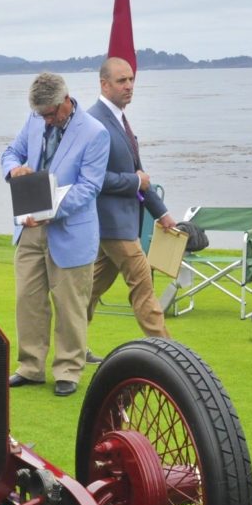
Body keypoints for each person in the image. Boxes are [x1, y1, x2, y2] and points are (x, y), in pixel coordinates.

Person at [0, 72, 109, 397]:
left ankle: (68, 369)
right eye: (41, 114)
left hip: (68, 230)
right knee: (28, 299)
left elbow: (89, 187)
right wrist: (13, 170)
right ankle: (30, 366)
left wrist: (47, 210)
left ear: (65, 101)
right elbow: (11, 152)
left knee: (70, 304)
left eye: (50, 113)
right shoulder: (34, 119)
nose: (46, 120)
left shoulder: (95, 133)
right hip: (29, 229)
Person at [85, 57, 176, 349]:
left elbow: (139, 170)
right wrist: (135, 182)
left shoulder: (120, 119)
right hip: (112, 225)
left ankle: (71, 344)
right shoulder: (93, 121)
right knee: (143, 287)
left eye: (132, 79)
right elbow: (94, 179)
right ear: (104, 84)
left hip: (120, 224)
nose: (129, 86)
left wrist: (162, 214)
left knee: (88, 291)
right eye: (122, 81)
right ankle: (172, 355)